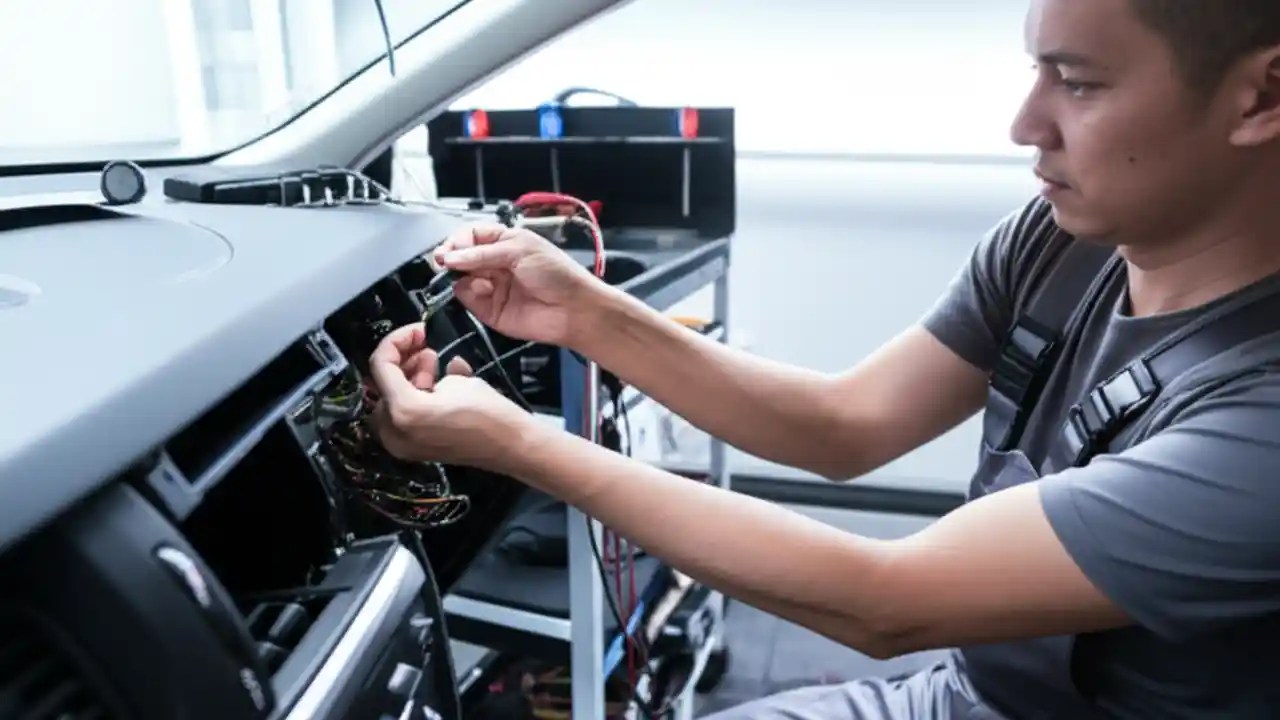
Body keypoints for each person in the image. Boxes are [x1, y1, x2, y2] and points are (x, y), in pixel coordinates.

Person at [368, 0, 1280, 716]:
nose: (1023, 123)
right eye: (1035, 68)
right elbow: (846, 427)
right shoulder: (1063, 239)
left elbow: (888, 600)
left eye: (1077, 82)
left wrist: (521, 444)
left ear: (1263, 96)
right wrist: (581, 310)